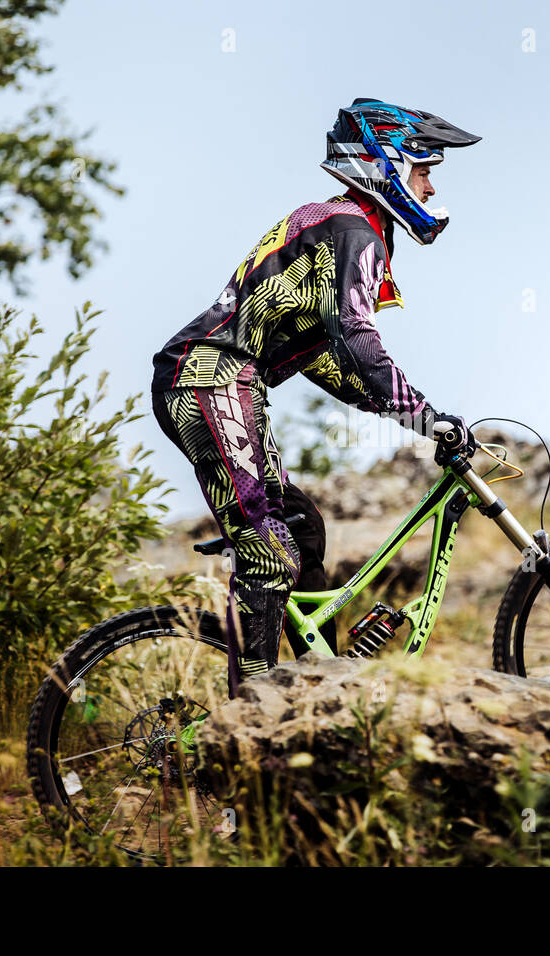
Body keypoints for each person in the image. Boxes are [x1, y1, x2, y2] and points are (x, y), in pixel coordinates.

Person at [151, 98, 480, 697]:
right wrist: (429, 418)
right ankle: (250, 715)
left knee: (302, 531)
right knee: (272, 553)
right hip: (208, 380)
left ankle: (312, 684)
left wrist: (420, 421)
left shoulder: (343, 225)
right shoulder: (352, 229)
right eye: (424, 169)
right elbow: (356, 341)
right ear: (386, 163)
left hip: (218, 382)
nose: (430, 188)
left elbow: (333, 362)